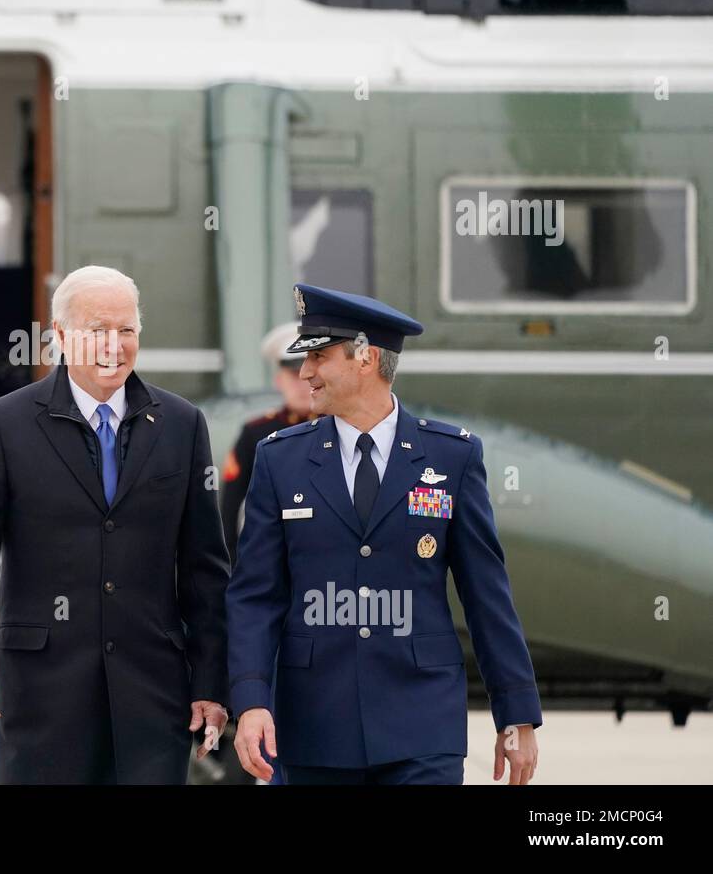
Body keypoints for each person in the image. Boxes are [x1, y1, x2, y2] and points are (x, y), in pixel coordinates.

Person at [228, 283, 542, 785]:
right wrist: (250, 701)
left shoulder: (452, 458)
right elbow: (255, 596)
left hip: (422, 727)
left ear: (365, 359)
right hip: (313, 729)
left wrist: (516, 712)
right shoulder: (279, 459)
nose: (305, 372)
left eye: (318, 356)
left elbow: (487, 595)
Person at [0, 265, 231, 783]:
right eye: (98, 331)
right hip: (41, 703)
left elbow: (206, 569)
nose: (114, 345)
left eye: (127, 331)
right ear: (62, 337)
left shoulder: (183, 425)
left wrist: (210, 681)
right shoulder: (5, 424)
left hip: (153, 701)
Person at [220, 321, 316, 564]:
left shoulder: (343, 427)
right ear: (278, 380)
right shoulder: (256, 433)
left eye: (308, 373)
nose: (302, 383)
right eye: (293, 375)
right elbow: (231, 508)